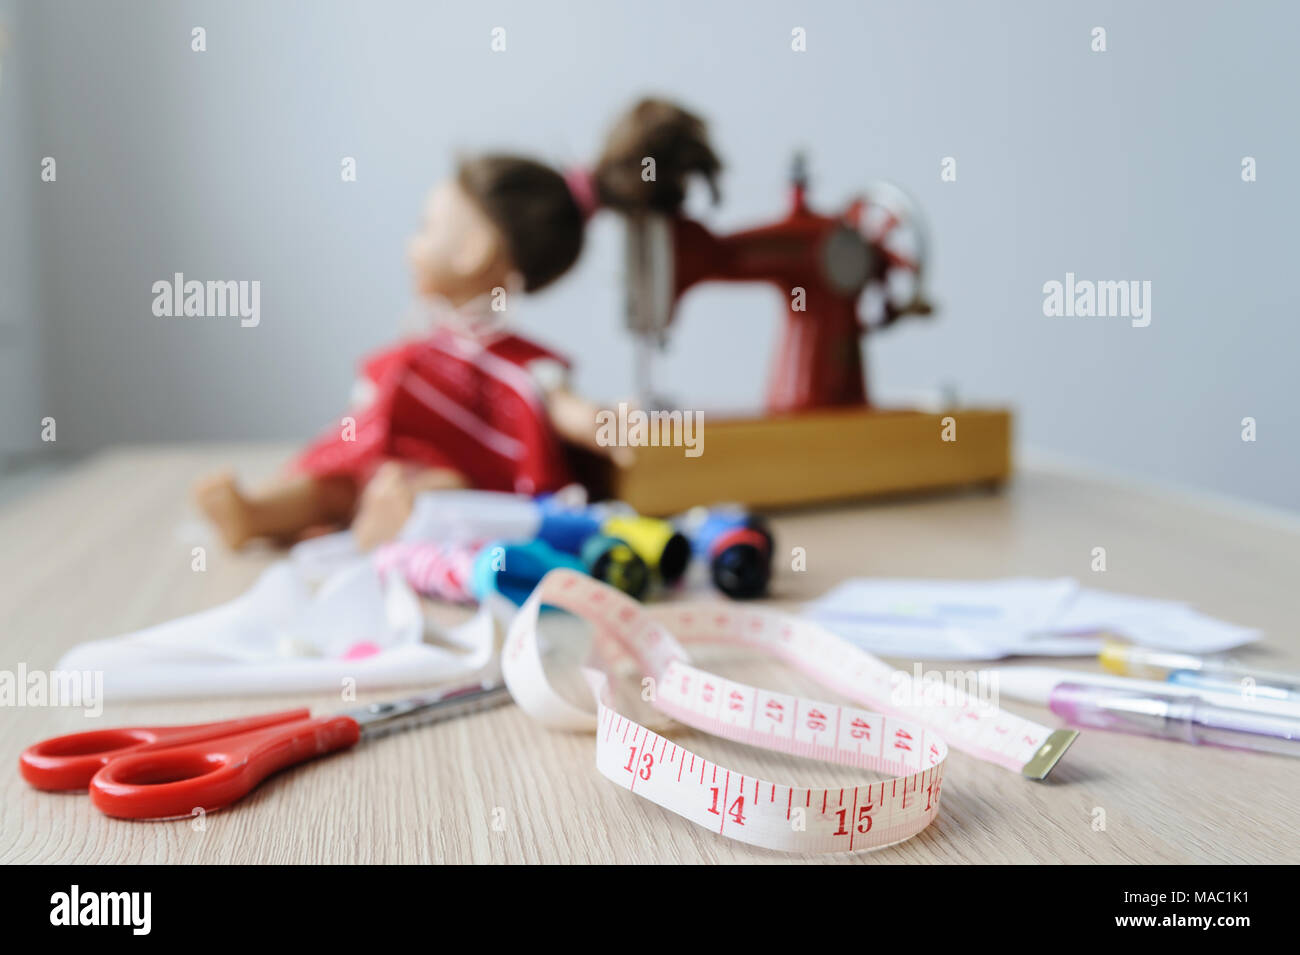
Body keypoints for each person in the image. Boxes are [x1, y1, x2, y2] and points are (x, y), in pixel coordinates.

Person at [195, 98, 721, 550]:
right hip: (383, 467)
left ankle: (395, 522)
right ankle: (255, 513)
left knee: (443, 489)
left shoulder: (520, 361)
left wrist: (602, 422)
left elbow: (562, 406)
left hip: (461, 479)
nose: (413, 243)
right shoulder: (432, 345)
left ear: (473, 252)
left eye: (426, 228)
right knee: (333, 480)